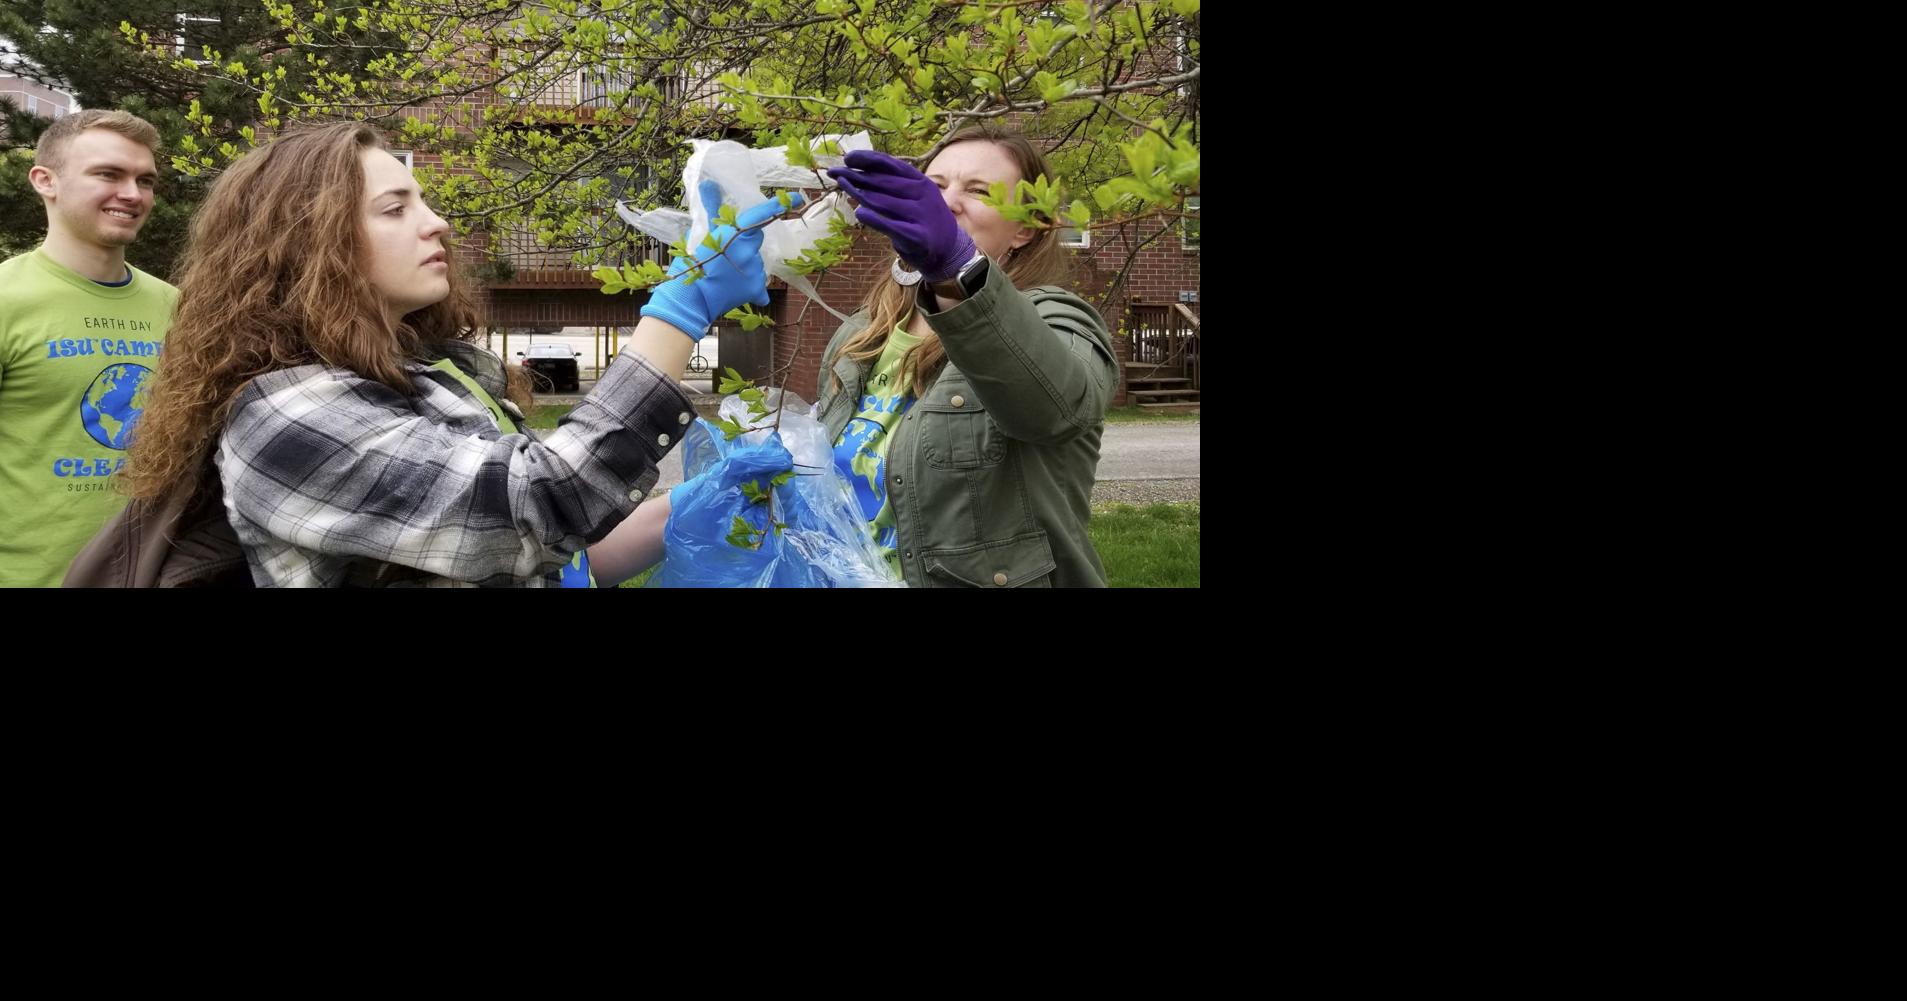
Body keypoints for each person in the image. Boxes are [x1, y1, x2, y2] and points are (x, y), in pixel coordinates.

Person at [114, 121, 795, 587]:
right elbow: (543, 497)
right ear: (309, 243)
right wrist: (677, 309)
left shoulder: (433, 376)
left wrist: (688, 503)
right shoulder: (283, 418)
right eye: (395, 207)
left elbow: (545, 547)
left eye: (425, 200)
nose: (436, 221)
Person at [815, 126, 1118, 587]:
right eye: (935, 187)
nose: (947, 202)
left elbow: (1060, 411)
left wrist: (960, 270)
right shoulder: (862, 333)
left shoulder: (1057, 317)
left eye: (978, 190)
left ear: (1024, 229)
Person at [0, 110, 177, 587]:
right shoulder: (5, 300)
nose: (132, 194)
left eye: (145, 180)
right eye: (108, 174)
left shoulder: (175, 306)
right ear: (45, 181)